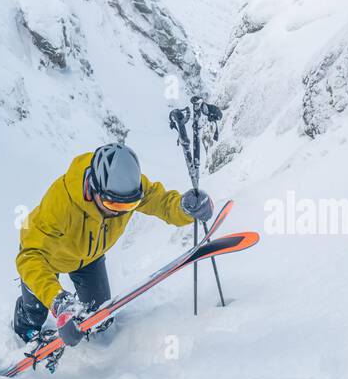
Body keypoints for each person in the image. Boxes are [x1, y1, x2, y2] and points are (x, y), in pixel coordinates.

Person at [13, 143, 213, 346]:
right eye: (114, 205)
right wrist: (59, 303)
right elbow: (30, 257)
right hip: (45, 258)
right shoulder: (60, 203)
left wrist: (184, 209)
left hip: (89, 258)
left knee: (100, 319)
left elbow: (160, 202)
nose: (119, 212)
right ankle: (26, 326)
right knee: (35, 312)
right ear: (94, 189)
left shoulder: (131, 189)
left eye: (129, 206)